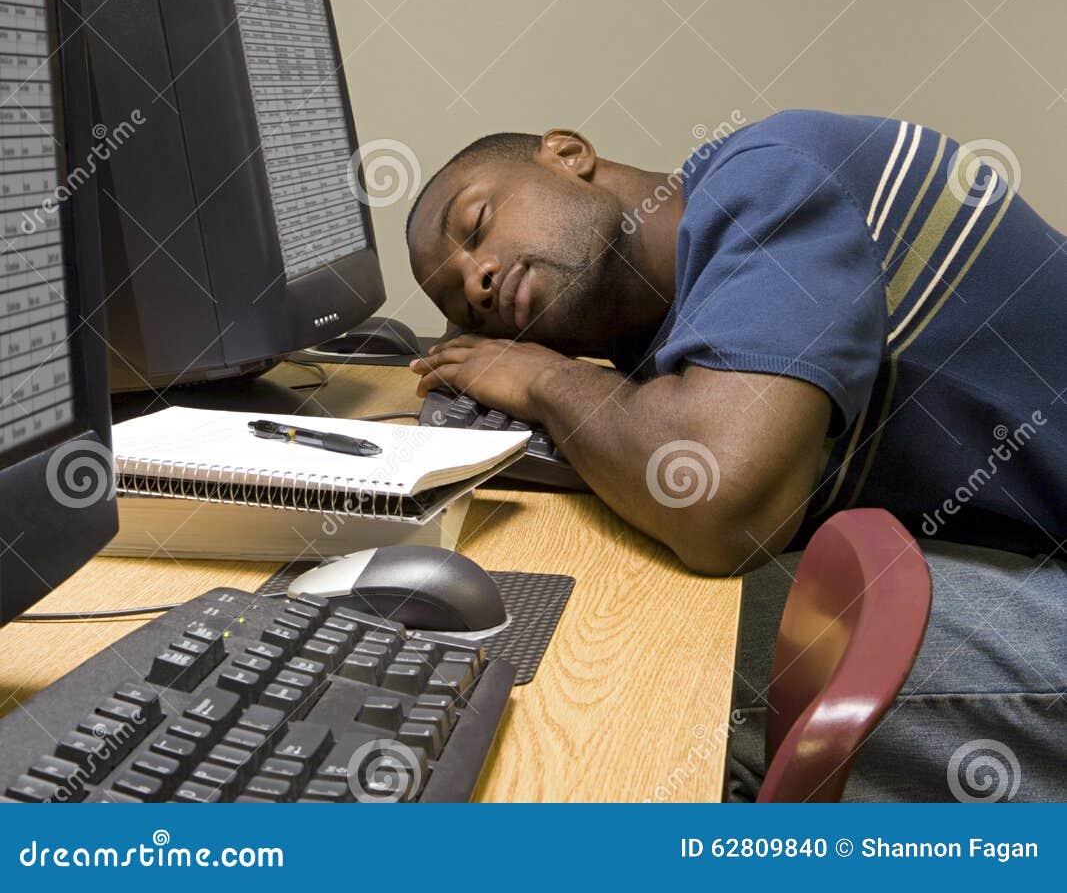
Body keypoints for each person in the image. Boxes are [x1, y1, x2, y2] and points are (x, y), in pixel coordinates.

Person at [405, 111, 1067, 801]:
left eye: (477, 225)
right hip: (1033, 563)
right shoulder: (678, 322)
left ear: (566, 153)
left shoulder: (776, 176)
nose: (477, 277)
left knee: (679, 666)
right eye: (463, 304)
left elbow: (719, 503)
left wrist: (544, 379)